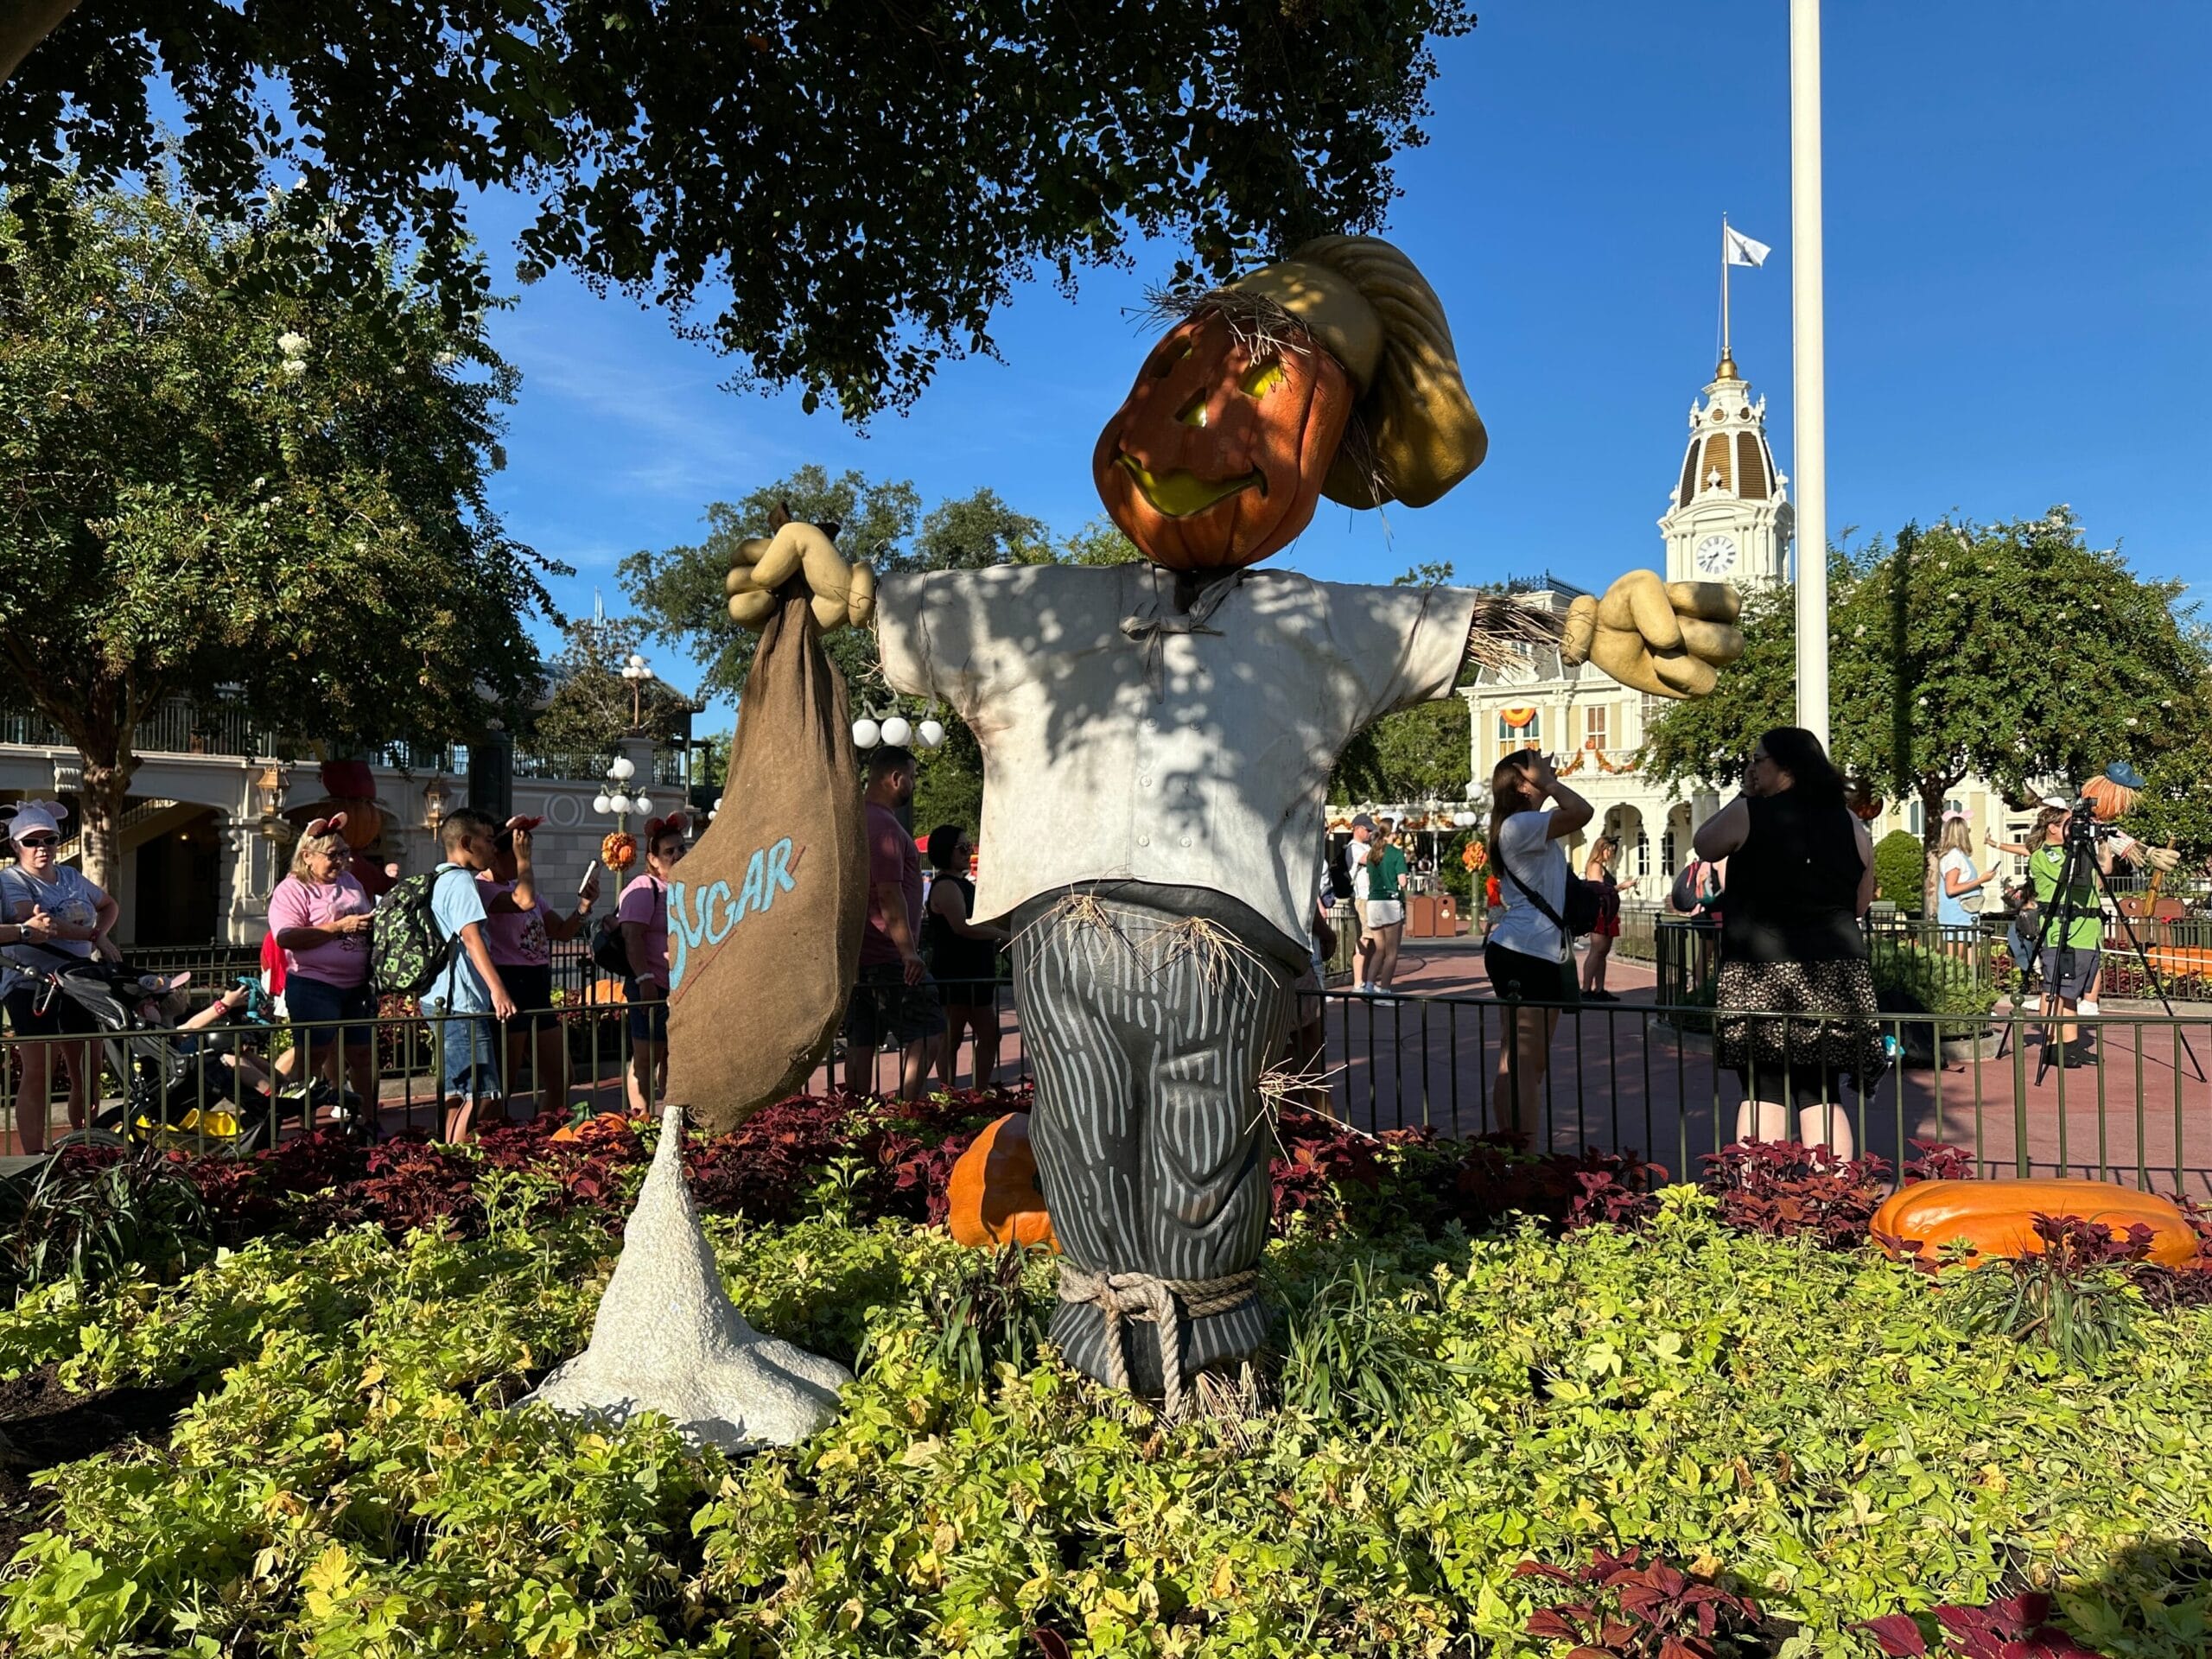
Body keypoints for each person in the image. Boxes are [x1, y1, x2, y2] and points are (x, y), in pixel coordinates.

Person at [1694, 727, 1882, 1155]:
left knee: (1764, 1089)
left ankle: (1760, 1196)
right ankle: (1832, 1197)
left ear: (1787, 767)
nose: (1752, 768)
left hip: (1762, 967)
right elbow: (1860, 902)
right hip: (1834, 970)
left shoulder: (1752, 813)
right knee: (1821, 1091)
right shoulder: (1851, 823)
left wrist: (1744, 795)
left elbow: (1705, 844)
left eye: (1759, 760)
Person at [1485, 748, 1594, 1137]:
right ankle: (1524, 1158)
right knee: (1524, 1062)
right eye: (1538, 765)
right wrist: (1549, 783)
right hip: (1525, 952)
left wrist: (1545, 780)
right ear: (1521, 781)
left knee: (1521, 1059)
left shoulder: (1522, 824)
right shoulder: (1521, 824)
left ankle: (1510, 1146)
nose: (1550, 767)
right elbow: (1583, 812)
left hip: (1531, 949)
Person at [1, 801, 118, 1154]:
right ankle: (33, 1159)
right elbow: (40, 926)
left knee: (88, 1067)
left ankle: (85, 1146)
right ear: (15, 845)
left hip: (79, 980)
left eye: (49, 840)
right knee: (40, 1069)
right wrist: (89, 936)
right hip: (31, 985)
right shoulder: (11, 880)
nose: (42, 849)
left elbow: (109, 905)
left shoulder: (70, 876)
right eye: (32, 841)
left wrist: (101, 933)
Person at [841, 748, 942, 1100]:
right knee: (930, 1032)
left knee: (861, 1040)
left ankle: (856, 1114)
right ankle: (907, 1107)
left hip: (859, 957)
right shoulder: (884, 828)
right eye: (912, 777)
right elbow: (888, 895)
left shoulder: (853, 821)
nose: (913, 784)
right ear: (896, 778)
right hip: (890, 956)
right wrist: (909, 953)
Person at [481, 817, 599, 1122]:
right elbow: (522, 901)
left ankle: (541, 1136)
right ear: (498, 854)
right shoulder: (483, 888)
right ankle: (479, 1142)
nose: (525, 859)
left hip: (538, 985)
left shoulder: (528, 890)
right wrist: (524, 863)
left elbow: (560, 931)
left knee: (562, 1076)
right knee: (502, 1085)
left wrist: (584, 906)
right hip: (510, 984)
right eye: (520, 853)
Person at [265, 813, 378, 1125]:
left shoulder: (350, 882)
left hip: (356, 985)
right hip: (315, 984)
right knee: (311, 1057)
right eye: (332, 855)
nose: (341, 861)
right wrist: (339, 927)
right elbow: (286, 937)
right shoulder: (292, 889)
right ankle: (306, 1127)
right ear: (308, 857)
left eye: (344, 853)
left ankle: (369, 1122)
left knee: (362, 1056)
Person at [419, 808, 519, 1141]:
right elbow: (472, 937)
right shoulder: (462, 882)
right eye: (488, 841)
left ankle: (446, 1159)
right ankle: (457, 1163)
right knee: (483, 1093)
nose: (493, 849)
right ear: (466, 842)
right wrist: (498, 990)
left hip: (441, 999)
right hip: (461, 1003)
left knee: (456, 1094)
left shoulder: (439, 878)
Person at [1990, 806, 2108, 1067]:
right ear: (2053, 827)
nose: (2073, 828)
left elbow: (2103, 872)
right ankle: (2053, 1046)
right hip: (2062, 933)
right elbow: (2072, 880)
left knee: (2071, 995)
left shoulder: (2077, 852)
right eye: (2068, 823)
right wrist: (2080, 846)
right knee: (2056, 990)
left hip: (2088, 934)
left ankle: (2071, 1046)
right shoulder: (2043, 856)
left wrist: (2100, 841)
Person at [922, 824, 1007, 1090]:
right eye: (962, 848)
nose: (967, 853)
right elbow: (962, 926)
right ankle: (950, 1095)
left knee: (990, 1035)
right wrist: (1003, 934)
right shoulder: (946, 886)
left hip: (975, 972)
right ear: (946, 851)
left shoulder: (963, 884)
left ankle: (978, 1093)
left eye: (968, 847)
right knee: (952, 1037)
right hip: (956, 972)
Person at [618, 814, 688, 1114]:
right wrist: (644, 978)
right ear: (653, 859)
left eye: (681, 849)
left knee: (676, 1056)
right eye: (669, 851)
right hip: (652, 985)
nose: (677, 855)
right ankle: (642, 1120)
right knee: (647, 1058)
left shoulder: (687, 888)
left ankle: (675, 1117)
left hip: (681, 988)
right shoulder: (645, 886)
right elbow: (632, 935)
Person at [1580, 836, 1638, 1001]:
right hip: (1600, 913)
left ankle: (1599, 989)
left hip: (1608, 912)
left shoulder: (1602, 868)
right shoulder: (1594, 866)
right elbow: (1599, 890)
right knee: (1596, 951)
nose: (1611, 855)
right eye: (1610, 851)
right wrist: (1621, 886)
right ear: (1602, 849)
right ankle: (1586, 989)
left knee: (1602, 952)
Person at [1934, 811, 1991, 963]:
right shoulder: (1953, 857)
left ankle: (1974, 987)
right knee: (1955, 962)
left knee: (1972, 960)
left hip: (1967, 914)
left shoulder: (1960, 856)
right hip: (1957, 914)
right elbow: (1951, 889)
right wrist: (1980, 880)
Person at [1362, 820, 1409, 995]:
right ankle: (1385, 990)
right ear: (1393, 833)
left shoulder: (1372, 853)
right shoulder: (1396, 854)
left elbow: (1368, 880)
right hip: (1390, 902)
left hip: (1373, 902)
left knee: (1379, 949)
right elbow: (1403, 881)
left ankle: (1368, 986)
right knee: (1392, 952)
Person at [1345, 813, 1376, 992]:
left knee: (1372, 940)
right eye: (1368, 830)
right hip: (1362, 897)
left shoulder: (1364, 846)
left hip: (1370, 897)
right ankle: (1358, 982)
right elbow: (1368, 859)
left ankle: (1364, 979)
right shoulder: (1354, 848)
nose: (1370, 833)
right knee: (1364, 938)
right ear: (1357, 828)